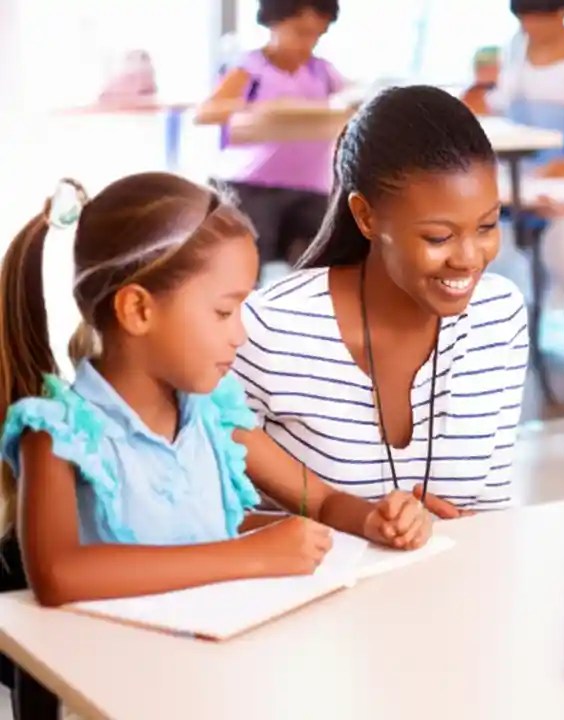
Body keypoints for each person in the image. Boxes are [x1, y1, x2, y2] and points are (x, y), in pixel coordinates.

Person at [0, 173, 431, 609]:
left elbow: (320, 501)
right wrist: (249, 555)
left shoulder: (214, 413)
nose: (239, 334)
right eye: (223, 311)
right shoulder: (58, 433)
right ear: (138, 310)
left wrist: (373, 518)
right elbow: (58, 575)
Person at [233, 86, 528, 515]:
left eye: (486, 227)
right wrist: (346, 527)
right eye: (439, 237)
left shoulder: (499, 317)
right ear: (366, 217)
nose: (468, 259)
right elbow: (212, 519)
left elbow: (491, 511)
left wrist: (459, 531)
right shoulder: (268, 329)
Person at [465, 0, 564, 373]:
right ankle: (495, 325)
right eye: (524, 17)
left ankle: (558, 316)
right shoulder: (515, 52)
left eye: (539, 16)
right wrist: (481, 101)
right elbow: (503, 103)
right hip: (516, 176)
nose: (531, 26)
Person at [196, 0, 344, 275]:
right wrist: (258, 110)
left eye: (317, 34)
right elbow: (205, 113)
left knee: (315, 266)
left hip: (309, 189)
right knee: (245, 265)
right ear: (275, 23)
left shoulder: (323, 72)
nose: (308, 42)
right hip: (251, 187)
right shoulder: (251, 68)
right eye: (300, 32)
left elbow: (350, 107)